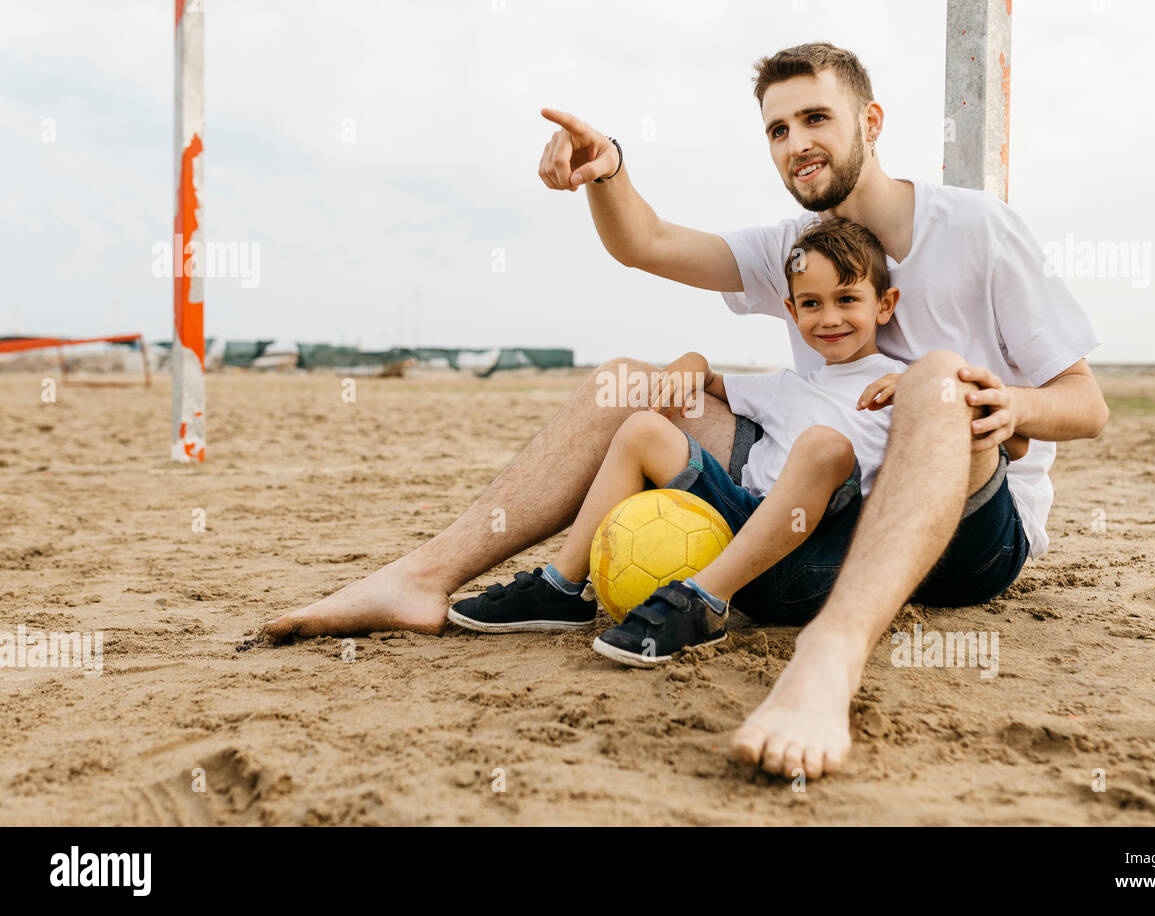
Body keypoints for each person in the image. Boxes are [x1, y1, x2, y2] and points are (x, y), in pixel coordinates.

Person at [263, 42, 1107, 782]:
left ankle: (828, 661)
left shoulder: (978, 230)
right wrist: (609, 170)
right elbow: (649, 243)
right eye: (777, 130)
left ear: (871, 121)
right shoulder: (795, 249)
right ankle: (423, 580)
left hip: (964, 532)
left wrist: (1011, 401)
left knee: (935, 377)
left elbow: (1087, 404)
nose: (797, 144)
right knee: (634, 382)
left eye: (816, 118)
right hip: (818, 518)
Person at [450, 218, 935, 666]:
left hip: (817, 565)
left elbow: (972, 437)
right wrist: (693, 360)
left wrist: (920, 393)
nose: (829, 317)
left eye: (847, 299)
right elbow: (712, 380)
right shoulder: (790, 386)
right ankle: (562, 589)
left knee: (825, 446)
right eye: (812, 303)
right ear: (792, 310)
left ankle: (701, 605)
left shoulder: (905, 382)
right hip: (742, 538)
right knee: (643, 429)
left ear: (885, 304)